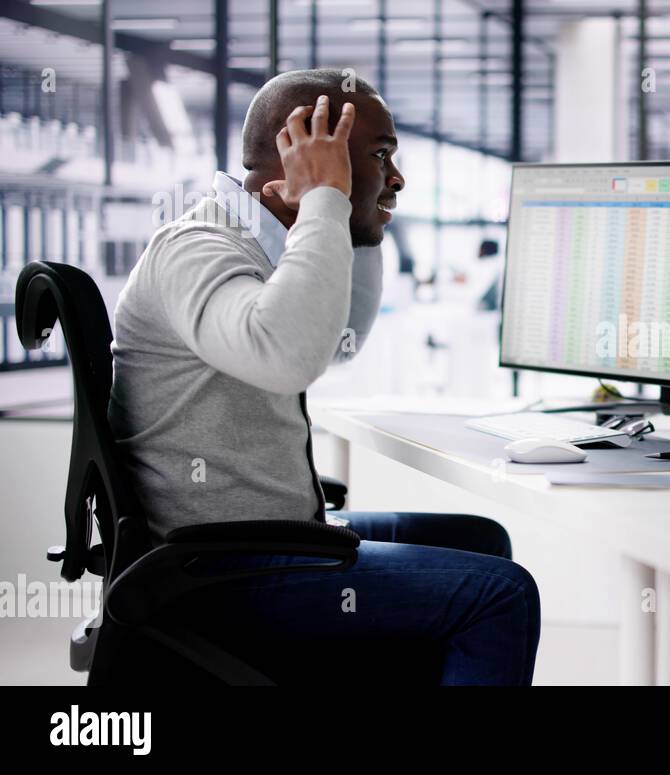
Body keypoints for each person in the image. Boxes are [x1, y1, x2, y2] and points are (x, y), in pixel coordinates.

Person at [107, 69, 540, 685]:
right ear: (303, 155)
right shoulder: (198, 246)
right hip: (218, 572)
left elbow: (341, 340)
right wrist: (327, 199)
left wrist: (350, 221)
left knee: (482, 542)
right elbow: (287, 355)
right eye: (381, 155)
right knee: (501, 594)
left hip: (270, 538)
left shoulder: (256, 243)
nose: (398, 178)